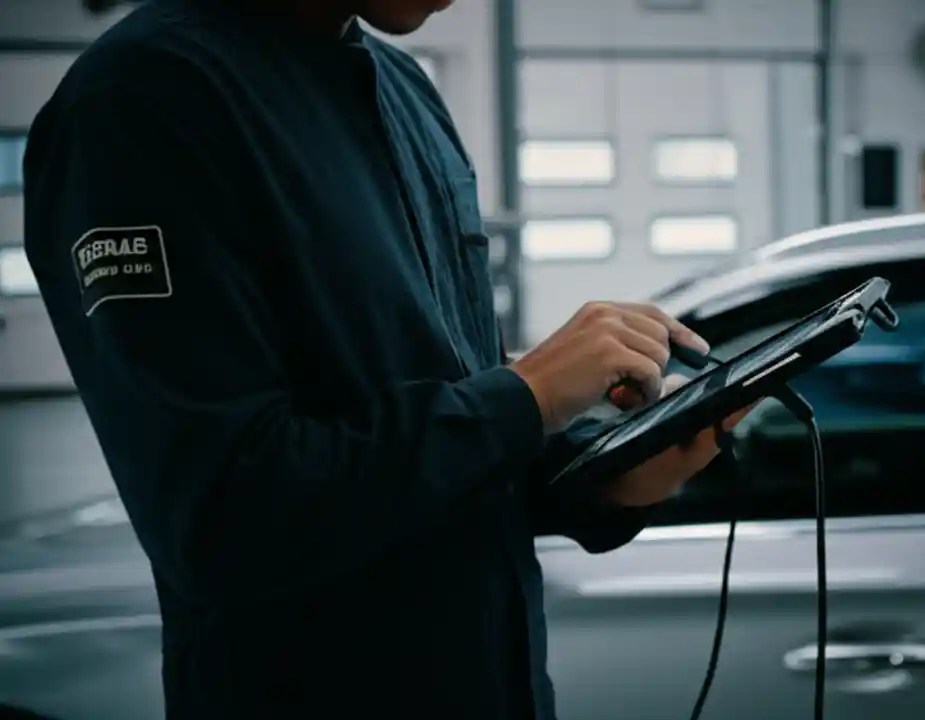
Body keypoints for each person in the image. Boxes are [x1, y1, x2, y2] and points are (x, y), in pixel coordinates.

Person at [23, 0, 744, 717]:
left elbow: (448, 438)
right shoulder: (140, 103)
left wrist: (607, 475)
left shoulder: (404, 89)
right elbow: (219, 512)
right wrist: (522, 396)